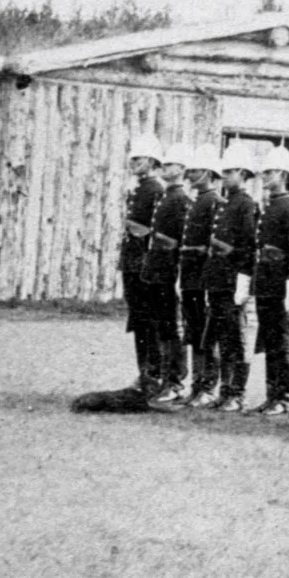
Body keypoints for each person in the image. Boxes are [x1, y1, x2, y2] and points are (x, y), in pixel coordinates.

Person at [203, 145, 260, 411]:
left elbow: (249, 247)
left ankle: (236, 392)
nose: (223, 176)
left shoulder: (246, 205)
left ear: (242, 173)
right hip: (217, 278)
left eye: (228, 172)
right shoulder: (225, 204)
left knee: (235, 338)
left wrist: (243, 279)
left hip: (232, 280)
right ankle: (225, 390)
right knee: (222, 338)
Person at [248, 145, 289, 414]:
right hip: (266, 283)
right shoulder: (269, 206)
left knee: (281, 341)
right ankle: (272, 394)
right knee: (269, 340)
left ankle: (282, 397)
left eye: (269, 172)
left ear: (282, 174)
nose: (264, 177)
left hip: (280, 284)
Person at [139, 145, 192, 404]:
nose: (166, 169)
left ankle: (175, 381)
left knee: (172, 327)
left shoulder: (181, 199)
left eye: (171, 165)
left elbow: (182, 240)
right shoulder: (165, 196)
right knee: (160, 326)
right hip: (157, 270)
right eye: (165, 165)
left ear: (182, 170)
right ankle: (161, 377)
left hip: (170, 271)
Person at [121, 133, 166, 394]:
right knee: (138, 319)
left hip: (145, 263)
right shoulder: (139, 188)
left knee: (149, 320)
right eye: (132, 158)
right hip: (132, 261)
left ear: (151, 160)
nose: (133, 162)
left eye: (138, 158)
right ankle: (144, 373)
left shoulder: (155, 189)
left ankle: (153, 374)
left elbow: (155, 230)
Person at [179, 148, 223, 406]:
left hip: (204, 275)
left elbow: (214, 243)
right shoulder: (196, 201)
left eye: (195, 171)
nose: (190, 175)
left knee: (207, 333)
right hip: (190, 275)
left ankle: (208, 386)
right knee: (193, 331)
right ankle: (196, 385)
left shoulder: (215, 202)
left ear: (208, 173)